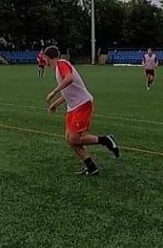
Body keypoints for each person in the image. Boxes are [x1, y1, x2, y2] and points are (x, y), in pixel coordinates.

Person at [43, 46, 120, 176]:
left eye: (44, 58)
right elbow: (68, 92)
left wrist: (53, 92)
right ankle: (91, 167)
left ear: (47, 58)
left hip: (82, 104)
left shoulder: (61, 64)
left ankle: (106, 140)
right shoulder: (59, 68)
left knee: (74, 138)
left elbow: (69, 79)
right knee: (69, 138)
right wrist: (55, 104)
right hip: (73, 107)